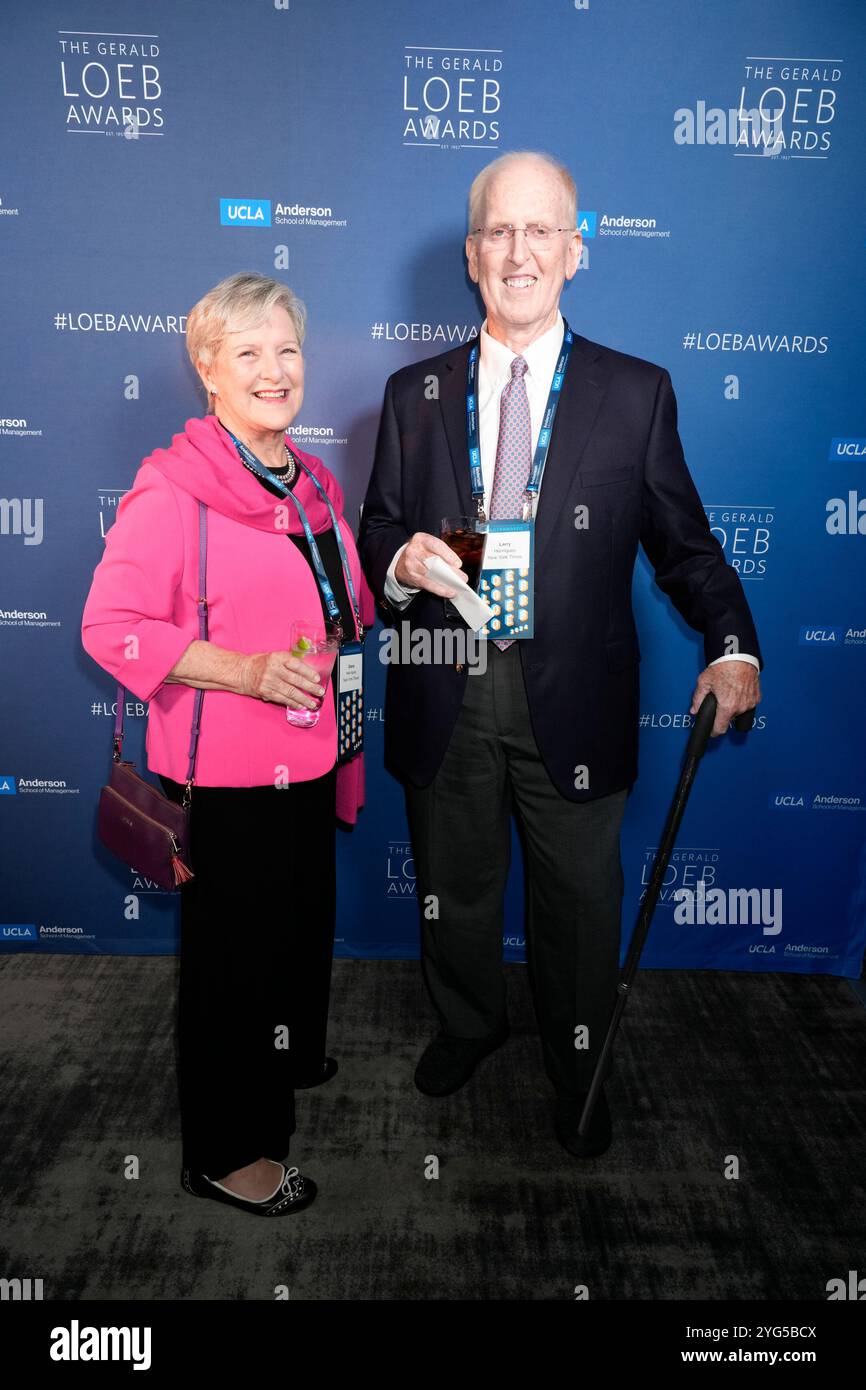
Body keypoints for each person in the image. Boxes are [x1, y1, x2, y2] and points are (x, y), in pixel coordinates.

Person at [359, 151, 762, 1159]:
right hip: (444, 680)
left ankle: (577, 1056)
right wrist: (399, 565)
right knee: (451, 885)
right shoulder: (412, 394)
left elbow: (686, 548)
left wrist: (732, 642)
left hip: (572, 693)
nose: (518, 251)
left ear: (575, 252)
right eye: (498, 231)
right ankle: (468, 1022)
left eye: (540, 231)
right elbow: (372, 537)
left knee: (578, 904)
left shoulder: (635, 394)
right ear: (469, 255)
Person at [82, 271, 373, 1215]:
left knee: (289, 947)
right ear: (208, 371)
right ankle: (221, 1153)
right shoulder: (173, 491)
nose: (274, 369)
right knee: (231, 969)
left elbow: (351, 609)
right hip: (226, 777)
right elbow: (108, 626)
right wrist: (245, 672)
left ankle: (277, 1069)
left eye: (286, 349)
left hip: (311, 758)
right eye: (247, 353)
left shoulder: (313, 478)